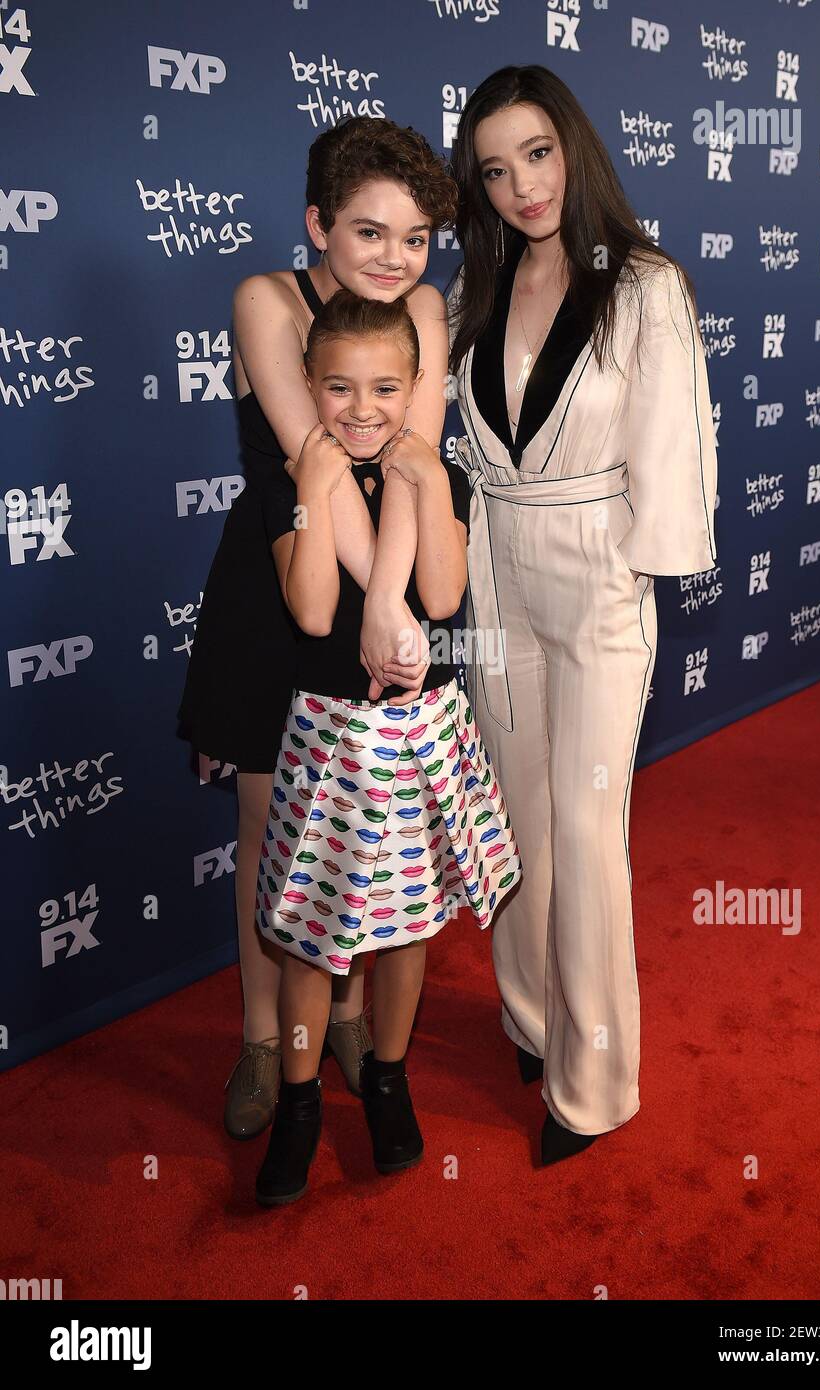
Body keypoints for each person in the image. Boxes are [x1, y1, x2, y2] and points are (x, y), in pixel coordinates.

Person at [446, 66, 718, 1165]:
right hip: (498, 570)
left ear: (576, 149)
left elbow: (670, 437)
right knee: (514, 822)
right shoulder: (478, 287)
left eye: (539, 155)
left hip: (600, 574)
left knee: (587, 836)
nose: (522, 187)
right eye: (497, 169)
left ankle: (593, 1080)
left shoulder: (644, 283)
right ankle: (529, 1015)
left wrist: (644, 567)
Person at [176, 118, 457, 1136]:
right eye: (370, 231)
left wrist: (387, 603)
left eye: (417, 235)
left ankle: (341, 1015)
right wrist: (386, 603)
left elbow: (415, 466)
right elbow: (320, 462)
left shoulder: (427, 307)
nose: (396, 258)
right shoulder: (266, 300)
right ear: (316, 225)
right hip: (282, 587)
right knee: (273, 837)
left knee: (371, 832)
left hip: (389, 587)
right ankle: (262, 1035)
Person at [252, 290, 521, 1205]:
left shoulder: (426, 470)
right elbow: (315, 610)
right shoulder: (292, 481)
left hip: (421, 733)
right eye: (338, 388)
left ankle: (387, 1077)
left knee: (409, 927)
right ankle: (297, 1105)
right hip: (329, 745)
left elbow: (442, 601)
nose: (361, 410)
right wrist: (313, 493)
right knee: (312, 945)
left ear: (416, 388)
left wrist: (431, 484)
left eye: (383, 388)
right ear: (307, 387)